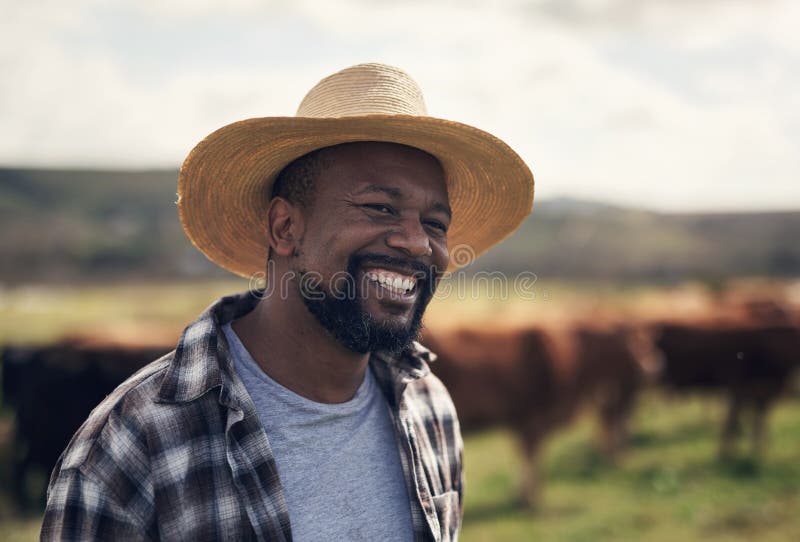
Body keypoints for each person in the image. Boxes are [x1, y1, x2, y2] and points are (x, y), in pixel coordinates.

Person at [41, 63, 534, 541]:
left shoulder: (429, 409)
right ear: (285, 228)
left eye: (435, 223)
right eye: (380, 207)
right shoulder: (134, 442)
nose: (418, 243)